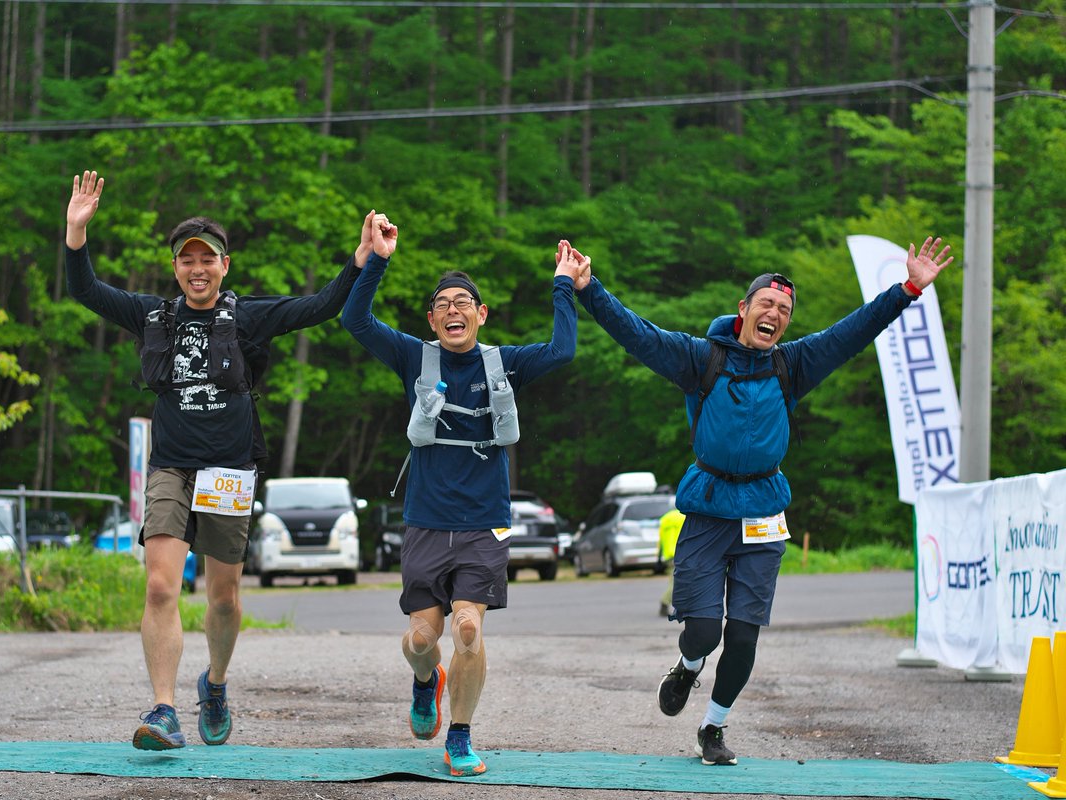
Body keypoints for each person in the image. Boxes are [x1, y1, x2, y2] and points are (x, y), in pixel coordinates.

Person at [568, 236, 953, 766]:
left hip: (764, 512)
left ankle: (713, 729)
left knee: (744, 637)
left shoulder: (791, 365)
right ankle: (687, 666)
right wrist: (590, 290)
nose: (775, 313)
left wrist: (907, 289)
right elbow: (638, 335)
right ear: (743, 310)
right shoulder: (700, 358)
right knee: (703, 630)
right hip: (707, 508)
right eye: (766, 304)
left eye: (785, 310)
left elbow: (853, 332)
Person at [64, 170, 377, 751]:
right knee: (160, 587)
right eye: (187, 260)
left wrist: (359, 260)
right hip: (172, 468)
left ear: (224, 266)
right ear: (176, 267)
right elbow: (86, 292)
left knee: (224, 596)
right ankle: (163, 710)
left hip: (230, 471)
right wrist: (76, 235)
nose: (197, 269)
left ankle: (215, 683)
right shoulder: (152, 316)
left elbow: (322, 306)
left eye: (208, 259)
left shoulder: (249, 317)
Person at [341, 222, 582, 776]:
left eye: (463, 303)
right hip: (426, 522)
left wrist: (563, 284)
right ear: (432, 320)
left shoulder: (505, 364)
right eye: (442, 305)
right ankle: (426, 682)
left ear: (481, 313)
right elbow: (355, 320)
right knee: (421, 639)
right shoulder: (413, 357)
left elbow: (563, 350)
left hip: (484, 523)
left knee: (468, 627)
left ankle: (461, 735)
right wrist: (375, 260)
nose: (453, 311)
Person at [657, 507, 685, 617]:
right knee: (676, 581)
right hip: (679, 552)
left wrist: (659, 555)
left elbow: (661, 538)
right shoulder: (683, 517)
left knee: (674, 579)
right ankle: (665, 602)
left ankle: (678, 606)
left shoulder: (665, 518)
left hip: (668, 553)